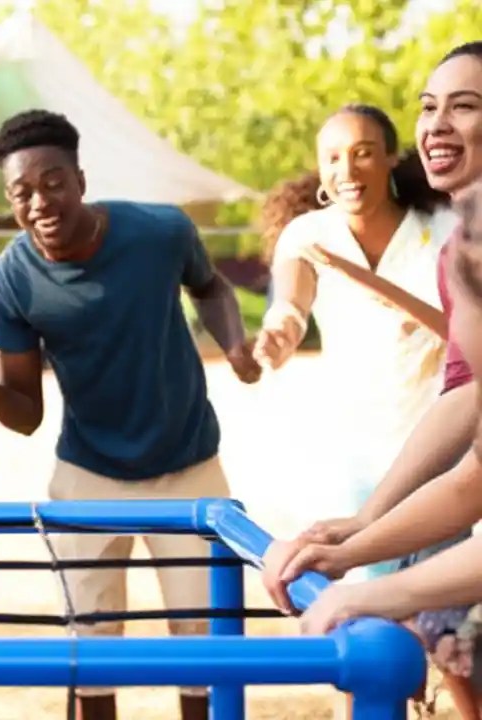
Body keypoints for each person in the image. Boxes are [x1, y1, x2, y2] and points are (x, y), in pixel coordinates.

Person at [0, 109, 261, 720]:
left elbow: (210, 286)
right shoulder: (12, 279)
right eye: (21, 192)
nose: (39, 202)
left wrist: (234, 345)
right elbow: (26, 414)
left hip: (187, 465)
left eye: (53, 183)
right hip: (89, 473)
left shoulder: (160, 231)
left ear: (80, 180)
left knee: (204, 643)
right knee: (90, 648)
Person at [263, 41, 482, 714]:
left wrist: (368, 590)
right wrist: (359, 530)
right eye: (429, 107)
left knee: (443, 634)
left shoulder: (443, 234)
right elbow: (468, 405)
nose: (437, 124)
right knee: (443, 634)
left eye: (464, 106)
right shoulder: (463, 246)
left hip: (414, 444)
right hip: (378, 449)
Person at [254, 105, 456, 577]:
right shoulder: (308, 233)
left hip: (438, 455)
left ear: (390, 158)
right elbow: (290, 304)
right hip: (357, 456)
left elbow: (463, 335)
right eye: (333, 157)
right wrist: (278, 333)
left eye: (363, 153)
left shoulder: (441, 229)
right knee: (368, 596)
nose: (347, 169)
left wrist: (369, 281)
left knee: (436, 602)